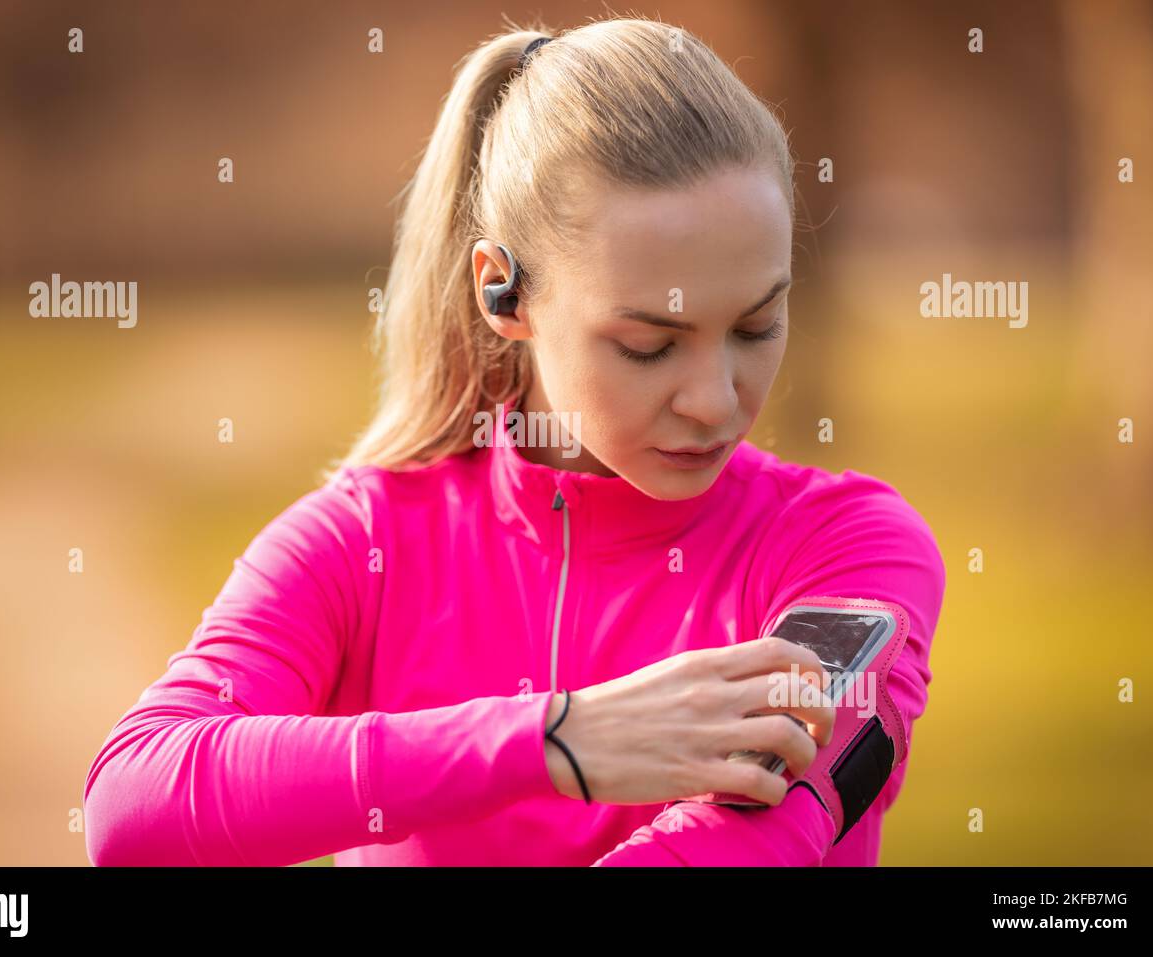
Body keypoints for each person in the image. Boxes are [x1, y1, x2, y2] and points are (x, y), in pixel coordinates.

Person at [83, 15, 946, 867]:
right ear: (505, 293)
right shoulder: (363, 541)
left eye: (756, 326)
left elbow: (768, 833)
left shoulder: (848, 549)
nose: (716, 400)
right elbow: (133, 809)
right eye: (649, 344)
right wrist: (556, 738)